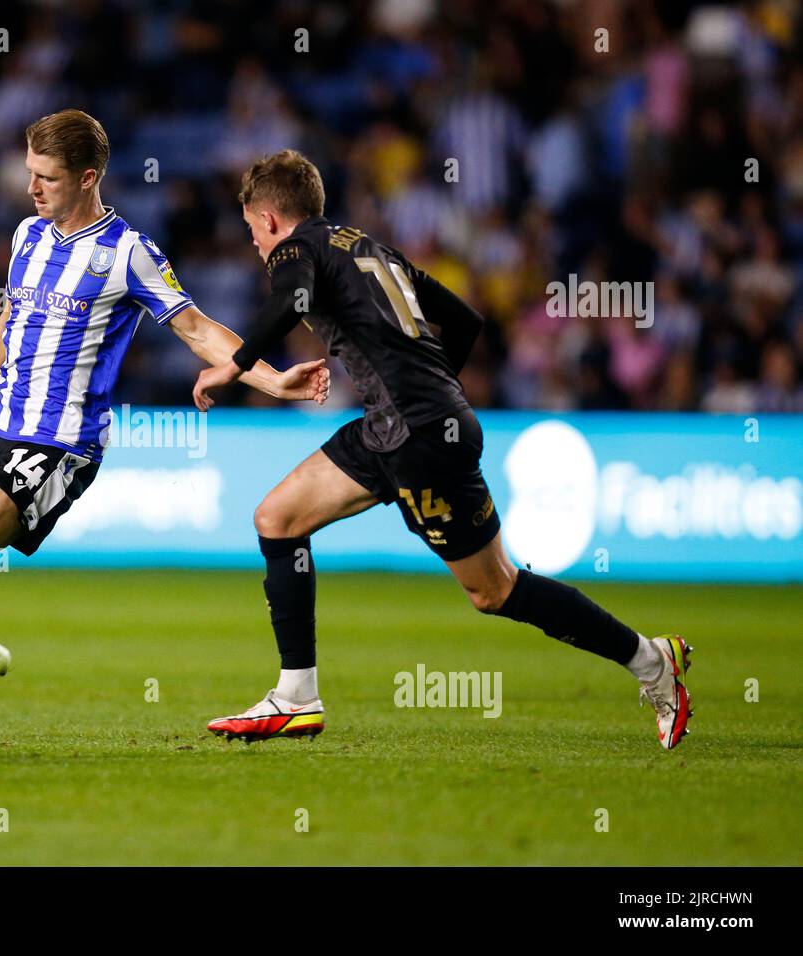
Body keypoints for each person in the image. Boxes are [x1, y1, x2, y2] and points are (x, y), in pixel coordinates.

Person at [0, 113, 330, 743]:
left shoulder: (128, 253)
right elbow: (5, 331)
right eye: (30, 174)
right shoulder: (26, 237)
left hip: (58, 446)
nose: (32, 188)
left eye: (47, 177)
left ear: (88, 178)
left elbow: (197, 328)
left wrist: (270, 376)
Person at [193, 150, 692, 749]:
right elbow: (464, 319)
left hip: (419, 437)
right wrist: (427, 391)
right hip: (397, 427)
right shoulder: (368, 247)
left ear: (271, 218)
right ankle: (297, 693)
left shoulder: (296, 250)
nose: (254, 244)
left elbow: (293, 300)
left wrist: (236, 368)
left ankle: (651, 663)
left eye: (252, 230)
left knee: (495, 590)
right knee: (277, 517)